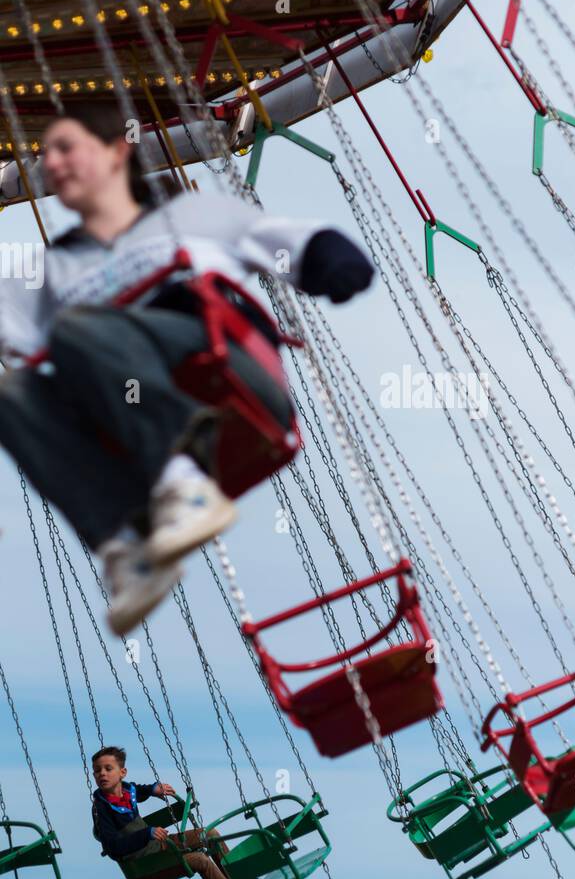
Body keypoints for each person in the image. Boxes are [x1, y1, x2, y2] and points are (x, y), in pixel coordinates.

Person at [0, 104, 374, 634]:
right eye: (46, 155)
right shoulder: (49, 271)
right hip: (124, 403)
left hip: (225, 371)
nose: (53, 163)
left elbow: (287, 238)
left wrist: (327, 260)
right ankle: (125, 542)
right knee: (12, 391)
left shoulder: (190, 217)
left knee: (77, 329)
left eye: (66, 148)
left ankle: (182, 476)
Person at [91, 745, 280, 879]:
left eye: (108, 768)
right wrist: (146, 834)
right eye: (98, 771)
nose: (102, 774)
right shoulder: (101, 808)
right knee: (199, 860)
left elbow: (138, 790)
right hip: (144, 863)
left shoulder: (127, 789)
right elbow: (112, 847)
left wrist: (153, 789)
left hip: (157, 845)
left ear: (122, 773)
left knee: (210, 834)